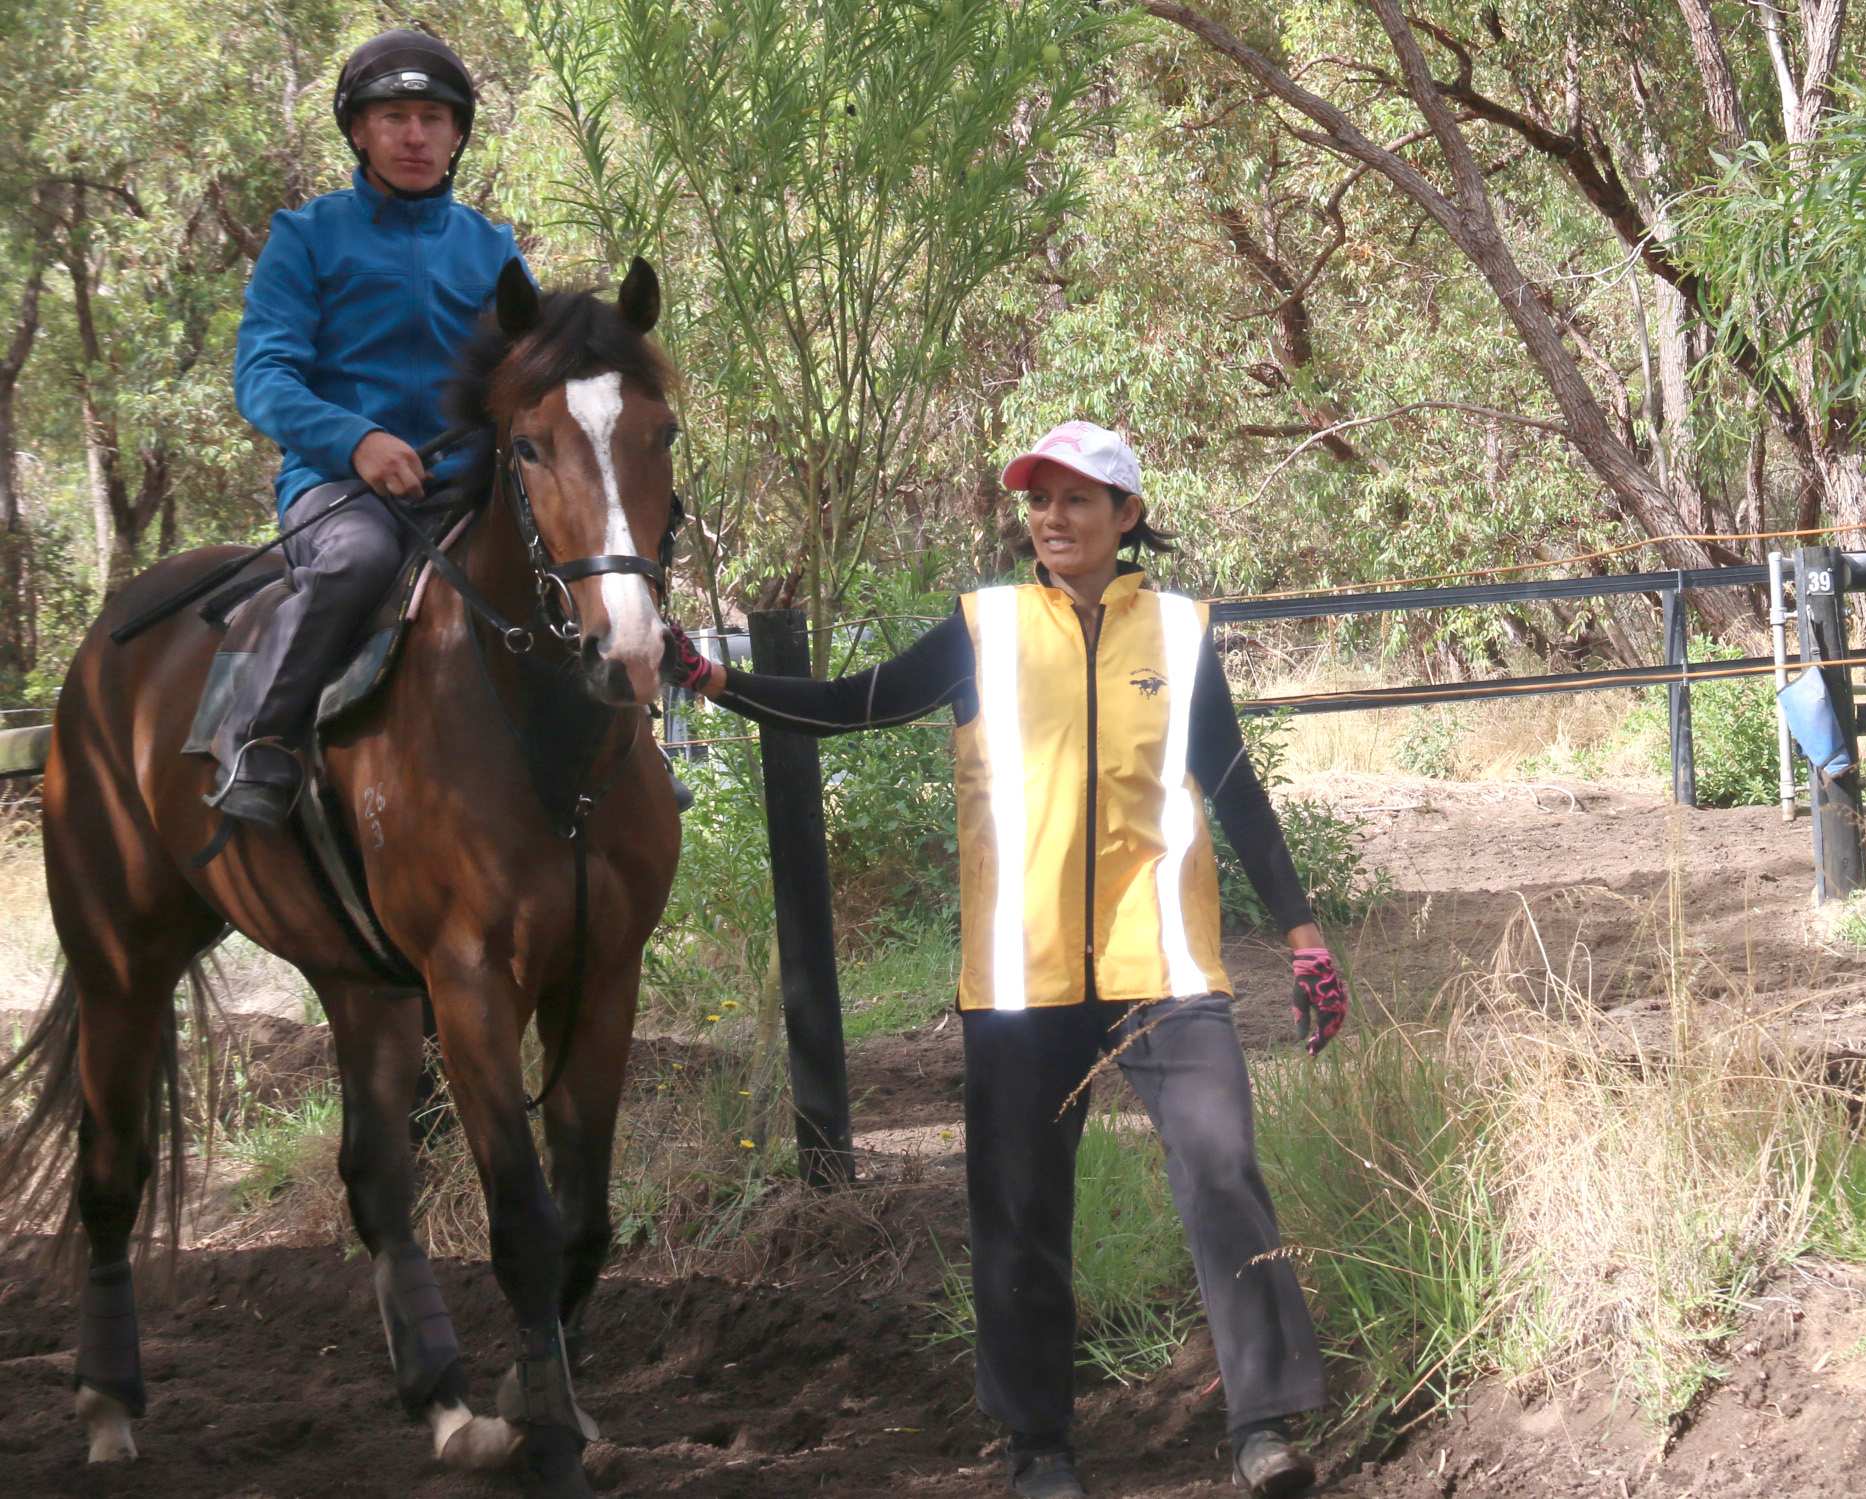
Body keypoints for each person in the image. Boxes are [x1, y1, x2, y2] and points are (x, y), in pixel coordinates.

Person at [664, 420, 1351, 1499]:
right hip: (1020, 974)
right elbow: (851, 704)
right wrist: (709, 680)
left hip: (1162, 958)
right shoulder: (979, 630)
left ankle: (1261, 1423)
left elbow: (1233, 783)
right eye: (1038, 498)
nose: (1052, 517)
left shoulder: (1176, 633)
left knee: (1221, 1166)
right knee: (1020, 1208)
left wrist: (1302, 933)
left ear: (1127, 517)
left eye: (1078, 499)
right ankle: (1038, 1445)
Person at [215, 28, 520, 826]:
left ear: (457, 135)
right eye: (394, 117)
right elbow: (263, 375)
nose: (414, 135)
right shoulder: (306, 237)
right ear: (358, 130)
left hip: (465, 486)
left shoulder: (494, 248)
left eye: (432, 117)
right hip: (338, 487)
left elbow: (521, 380)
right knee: (356, 559)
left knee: (576, 554)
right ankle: (262, 737)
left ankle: (630, 750)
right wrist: (356, 440)